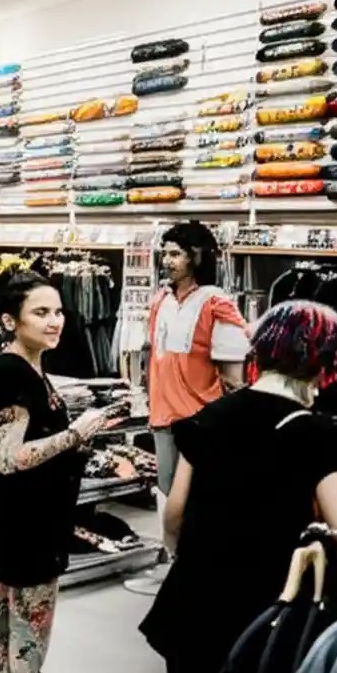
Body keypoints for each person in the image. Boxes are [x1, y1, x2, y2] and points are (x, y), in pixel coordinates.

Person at [138, 301, 337, 673]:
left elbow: (174, 513)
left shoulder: (212, 414)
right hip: (259, 606)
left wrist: (189, 556)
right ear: (323, 362)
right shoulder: (314, 433)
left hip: (192, 600)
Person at [0, 258, 125, 673]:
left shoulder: (29, 368)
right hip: (27, 525)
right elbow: (10, 457)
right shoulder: (9, 373)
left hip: (20, 519)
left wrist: (78, 441)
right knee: (29, 623)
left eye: (58, 311)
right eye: (41, 313)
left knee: (2, 611)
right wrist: (78, 430)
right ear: (9, 319)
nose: (55, 321)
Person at [127, 220, 250, 595]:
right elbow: (155, 356)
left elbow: (233, 369)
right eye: (165, 253)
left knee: (198, 496)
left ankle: (195, 569)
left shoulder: (216, 302)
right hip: (164, 415)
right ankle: (175, 563)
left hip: (201, 417)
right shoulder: (160, 301)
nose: (168, 261)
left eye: (176, 253)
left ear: (196, 257)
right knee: (167, 490)